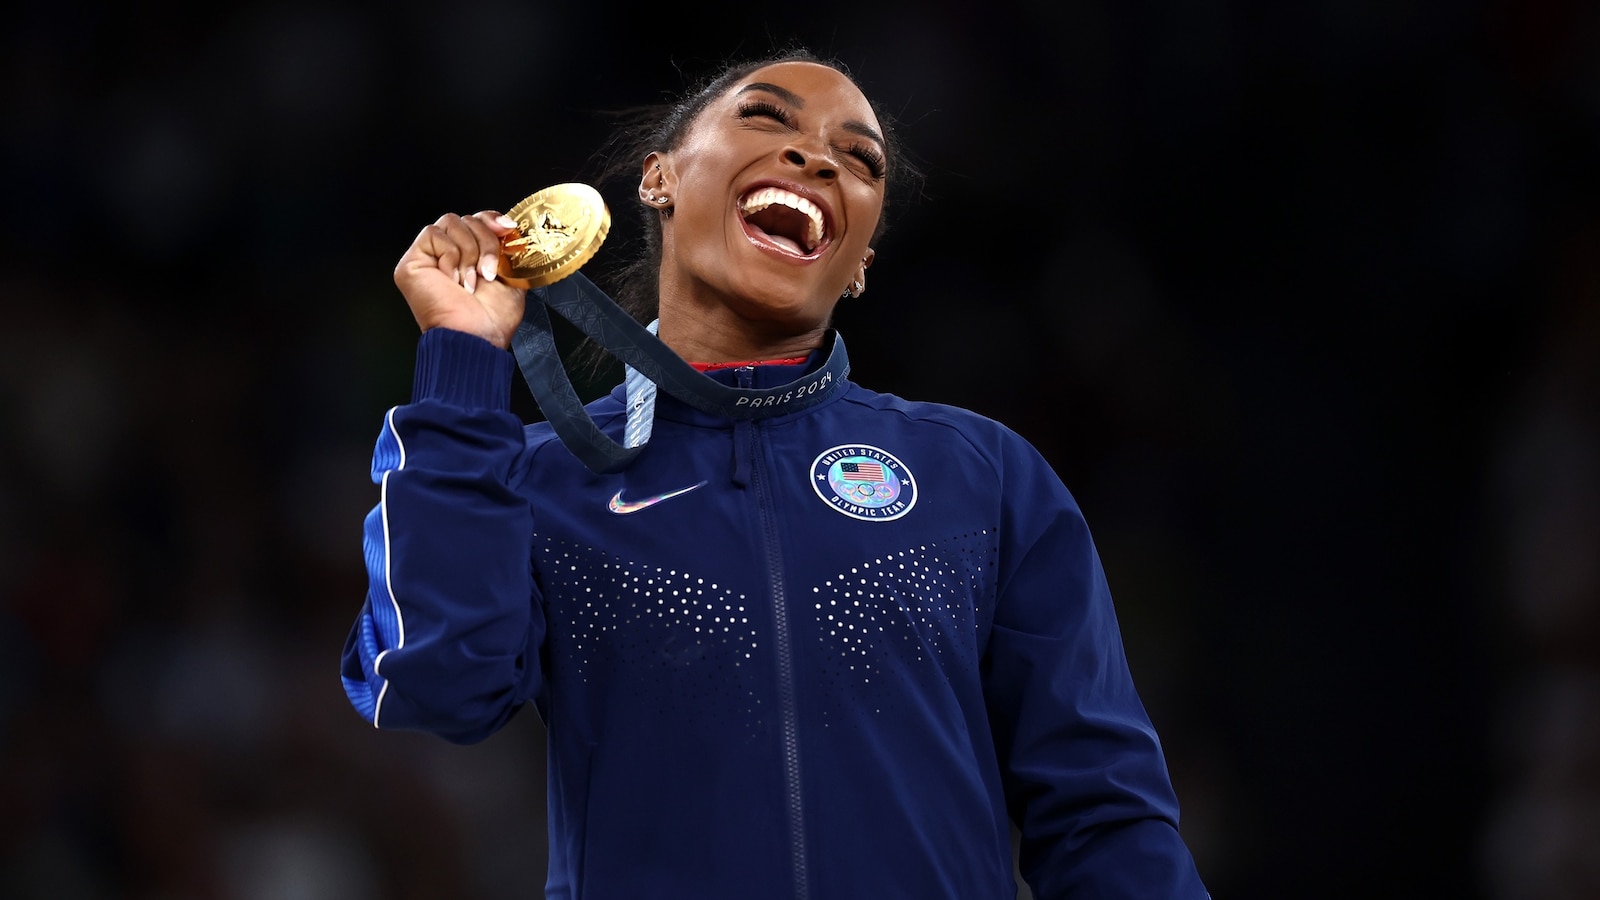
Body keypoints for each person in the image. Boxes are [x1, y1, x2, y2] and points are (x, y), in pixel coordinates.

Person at [340, 47, 1210, 899]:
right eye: (765, 117)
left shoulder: (981, 478)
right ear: (659, 180)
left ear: (860, 259)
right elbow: (438, 681)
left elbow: (1102, 815)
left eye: (859, 160)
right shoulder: (539, 477)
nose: (816, 156)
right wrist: (461, 359)